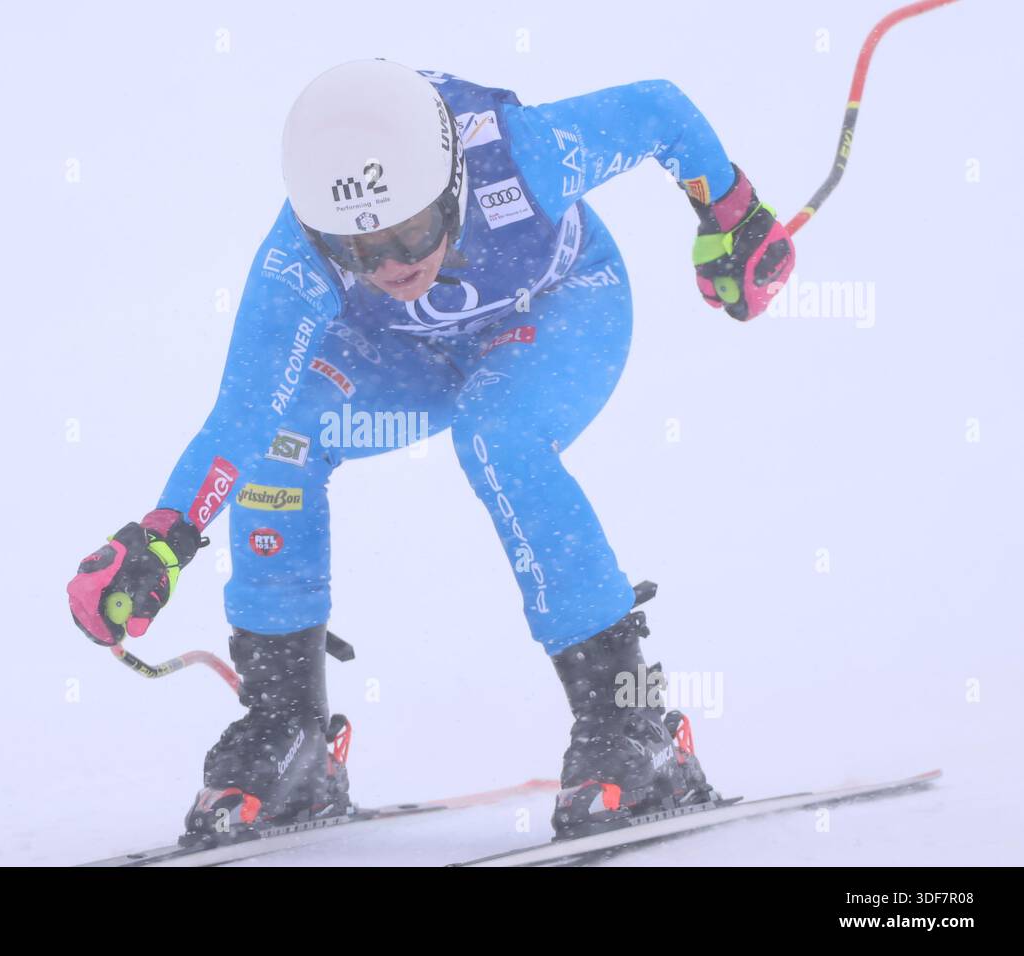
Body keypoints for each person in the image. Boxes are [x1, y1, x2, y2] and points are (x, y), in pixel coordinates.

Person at [67, 59, 794, 844]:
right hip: (406, 358)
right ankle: (289, 728)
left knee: (497, 435)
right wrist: (162, 538)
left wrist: (735, 214)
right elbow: (244, 414)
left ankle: (632, 721)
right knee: (282, 438)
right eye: (359, 248)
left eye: (413, 232)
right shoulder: (297, 253)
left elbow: (660, 111)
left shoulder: (520, 154)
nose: (394, 265)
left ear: (451, 184)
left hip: (558, 310)